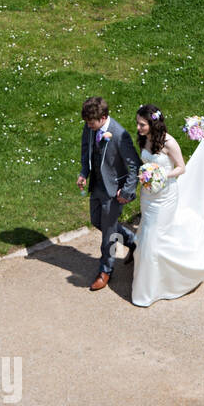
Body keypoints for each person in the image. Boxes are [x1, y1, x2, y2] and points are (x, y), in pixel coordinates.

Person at [129, 105, 204, 306]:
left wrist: (161, 175)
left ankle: (151, 290)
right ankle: (153, 280)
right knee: (147, 237)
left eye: (141, 124)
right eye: (137, 123)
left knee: (153, 240)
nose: (138, 127)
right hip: (148, 196)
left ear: (153, 123)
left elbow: (181, 168)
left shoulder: (169, 142)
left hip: (166, 197)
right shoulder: (144, 139)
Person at [77, 96, 140, 291]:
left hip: (114, 191)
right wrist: (84, 173)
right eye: (87, 123)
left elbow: (134, 165)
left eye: (92, 123)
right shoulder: (89, 127)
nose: (89, 126)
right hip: (97, 185)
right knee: (97, 221)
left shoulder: (120, 135)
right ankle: (133, 241)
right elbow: (86, 150)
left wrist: (127, 191)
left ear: (103, 117)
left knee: (108, 236)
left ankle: (106, 270)